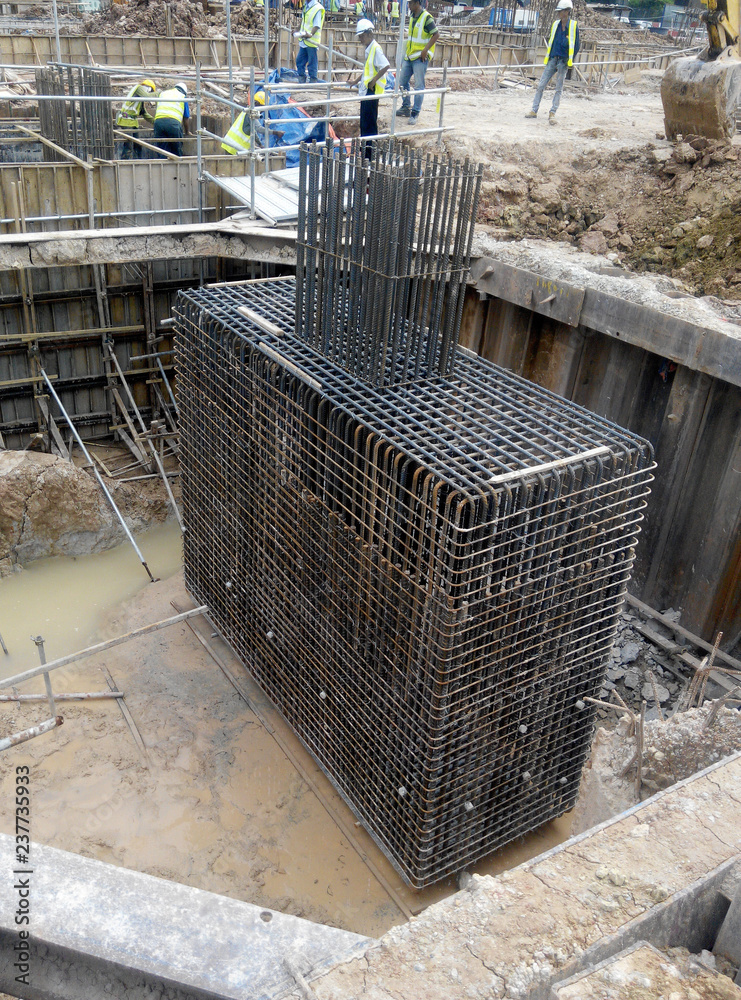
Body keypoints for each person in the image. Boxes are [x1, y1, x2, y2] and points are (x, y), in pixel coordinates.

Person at [525, 0, 579, 125]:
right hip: (553, 59)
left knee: (558, 88)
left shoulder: (573, 26)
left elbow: (576, 45)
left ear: (566, 11)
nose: (559, 14)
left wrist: (569, 59)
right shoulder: (555, 24)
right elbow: (552, 42)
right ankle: (534, 110)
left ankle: (552, 112)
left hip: (563, 61)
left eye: (560, 11)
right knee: (540, 85)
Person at [351, 19, 389, 158]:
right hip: (366, 90)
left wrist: (374, 81)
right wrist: (356, 81)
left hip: (371, 91)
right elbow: (368, 70)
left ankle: (370, 155)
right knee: (364, 123)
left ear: (368, 34)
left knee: (369, 124)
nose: (360, 39)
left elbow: (385, 66)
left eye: (361, 36)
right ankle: (365, 153)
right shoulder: (370, 49)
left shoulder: (375, 48)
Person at [396, 0, 438, 125]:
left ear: (416, 3)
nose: (408, 6)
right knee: (402, 81)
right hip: (410, 56)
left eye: (409, 3)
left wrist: (425, 50)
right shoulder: (412, 16)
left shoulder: (426, 18)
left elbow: (436, 34)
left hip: (420, 57)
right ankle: (406, 106)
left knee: (419, 86)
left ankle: (415, 112)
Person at [115, 79, 157, 160]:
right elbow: (147, 96)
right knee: (129, 146)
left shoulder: (140, 99)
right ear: (149, 88)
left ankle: (138, 164)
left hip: (132, 123)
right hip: (126, 121)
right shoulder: (139, 88)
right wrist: (159, 94)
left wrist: (156, 122)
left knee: (137, 145)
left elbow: (144, 114)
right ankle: (124, 164)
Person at [153, 82, 190, 157]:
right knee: (176, 149)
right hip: (173, 124)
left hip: (158, 123)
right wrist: (187, 132)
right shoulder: (182, 97)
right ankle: (177, 167)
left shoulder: (163, 94)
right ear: (184, 92)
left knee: (161, 150)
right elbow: (186, 118)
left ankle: (161, 167)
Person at [295, 0, 325, 83]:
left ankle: (313, 80)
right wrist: (297, 29)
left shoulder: (317, 8)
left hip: (312, 41)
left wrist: (311, 34)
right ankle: (301, 78)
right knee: (299, 61)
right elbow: (303, 20)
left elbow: (317, 25)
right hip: (304, 39)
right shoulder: (306, 6)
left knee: (312, 62)